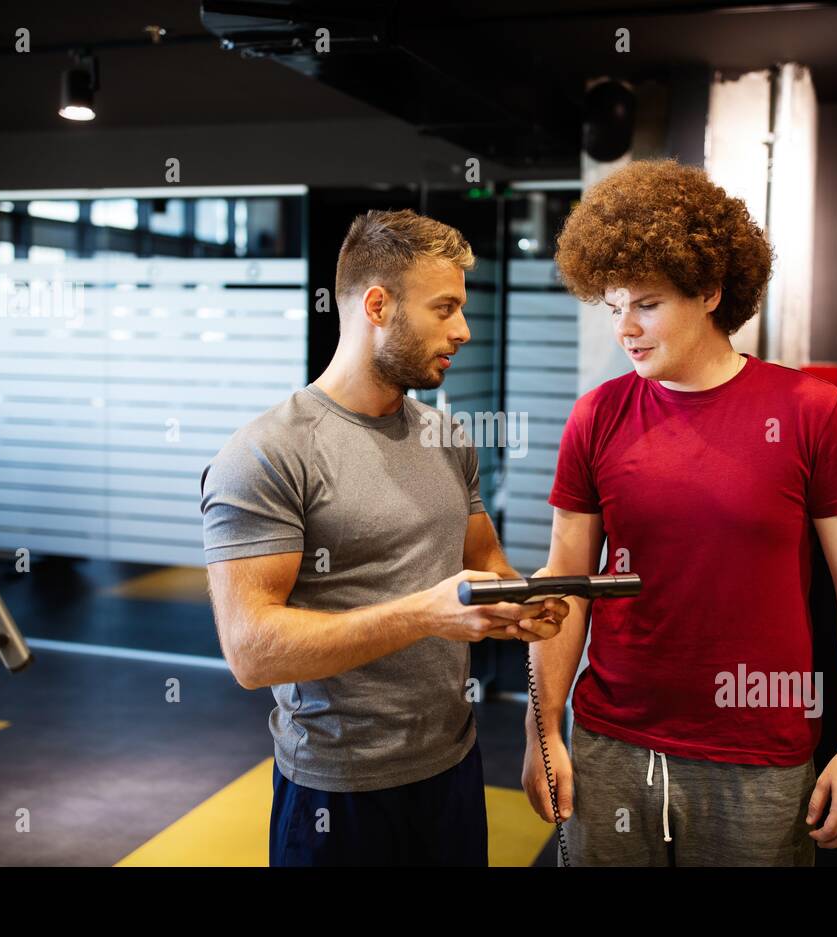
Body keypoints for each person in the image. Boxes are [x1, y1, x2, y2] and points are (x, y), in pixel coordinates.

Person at [521, 159, 837, 866]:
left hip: (757, 753)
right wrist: (542, 731)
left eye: (647, 304)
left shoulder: (809, 413)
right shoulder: (597, 416)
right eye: (612, 307)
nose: (625, 329)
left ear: (710, 292)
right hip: (610, 742)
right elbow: (566, 580)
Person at [201, 208, 568, 866]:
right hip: (336, 792)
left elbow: (485, 569)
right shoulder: (267, 453)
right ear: (377, 305)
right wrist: (428, 612)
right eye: (445, 308)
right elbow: (251, 652)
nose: (463, 329)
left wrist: (519, 606)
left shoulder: (447, 437)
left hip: (453, 768)